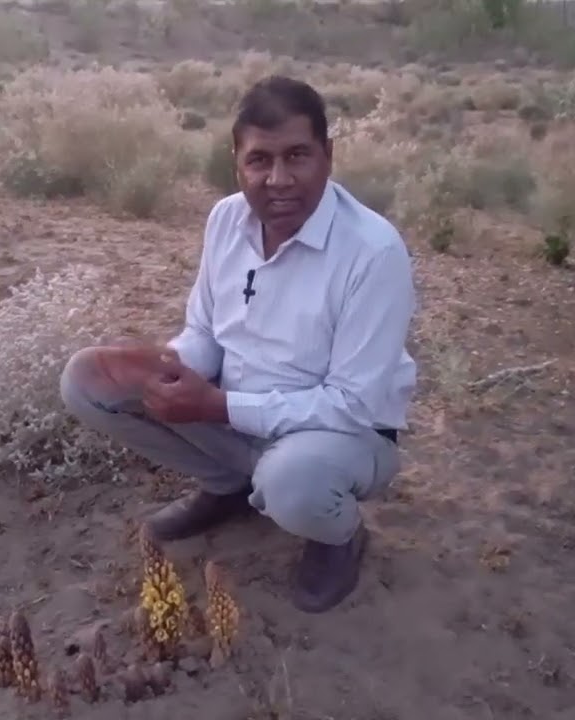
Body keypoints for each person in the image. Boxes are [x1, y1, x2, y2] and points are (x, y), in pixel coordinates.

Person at [60, 75, 417, 614]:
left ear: (328, 156)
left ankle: (338, 535)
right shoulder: (226, 219)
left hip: (338, 437)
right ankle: (227, 485)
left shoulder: (373, 251)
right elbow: (205, 331)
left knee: (292, 482)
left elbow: (353, 404)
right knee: (87, 378)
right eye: (259, 160)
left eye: (297, 156)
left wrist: (216, 405)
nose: (278, 179)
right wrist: (168, 366)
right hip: (233, 416)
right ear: (237, 162)